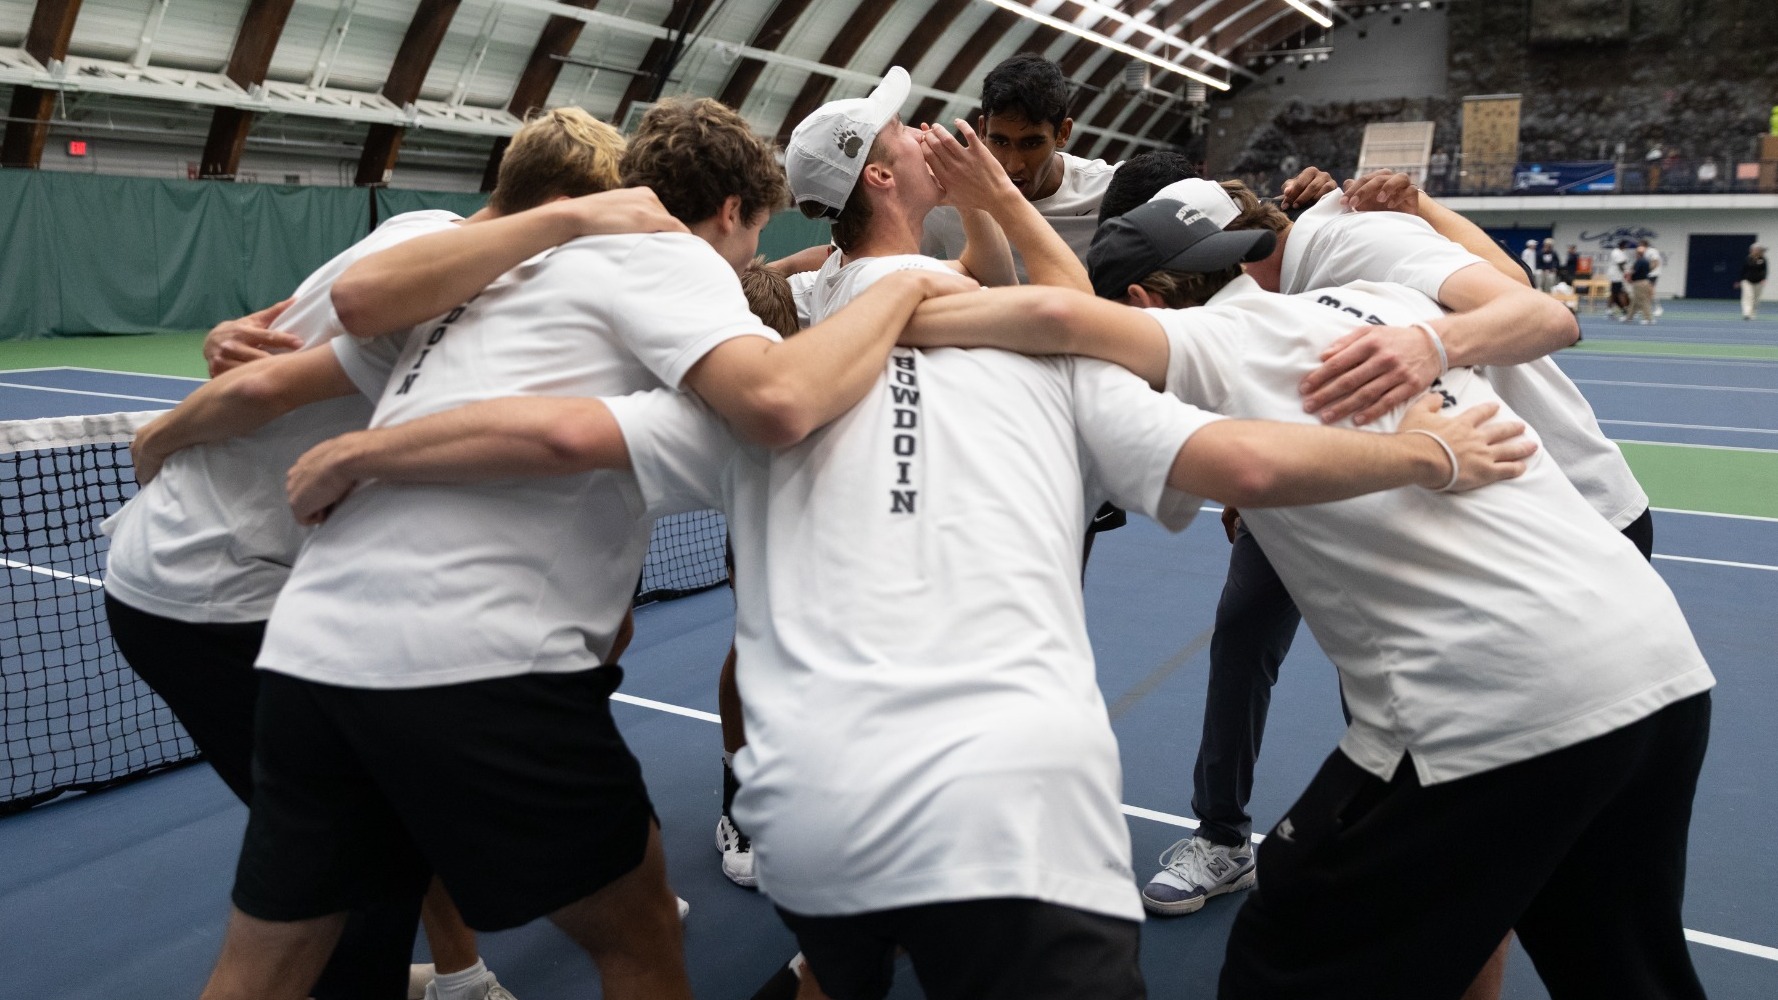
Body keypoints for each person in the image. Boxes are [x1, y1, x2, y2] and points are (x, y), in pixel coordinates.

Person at [275, 114, 1534, 1000]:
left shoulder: (757, 363)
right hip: (1021, 820)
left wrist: (371, 454)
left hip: (810, 818)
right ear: (890, 182)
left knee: (840, 959)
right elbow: (1248, 465)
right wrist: (1429, 458)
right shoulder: (1047, 357)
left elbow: (551, 427)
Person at [132, 96, 979, 1000]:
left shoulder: (492, 275)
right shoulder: (675, 262)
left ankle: (456, 969)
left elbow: (301, 360)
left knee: (267, 965)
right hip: (478, 656)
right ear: (731, 213)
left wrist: (164, 433)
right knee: (642, 934)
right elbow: (766, 403)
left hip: (309, 654)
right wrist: (903, 288)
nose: (745, 261)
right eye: (752, 233)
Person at [896, 177, 1716, 1000]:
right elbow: (1529, 305)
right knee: (1620, 966)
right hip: (1655, 661)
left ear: (1141, 303)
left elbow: (1059, 315)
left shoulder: (1207, 344)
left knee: (1282, 954)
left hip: (1500, 694)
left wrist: (894, 310)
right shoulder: (1374, 300)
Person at [107, 107, 648, 1000]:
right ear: (554, 208)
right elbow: (265, 380)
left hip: (266, 577)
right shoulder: (427, 264)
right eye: (601, 219)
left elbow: (262, 343)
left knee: (384, 818)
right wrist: (157, 438)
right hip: (206, 589)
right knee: (355, 874)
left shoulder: (457, 262)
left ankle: (457, 974)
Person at [1628, 243, 1657, 324]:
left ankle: (1649, 319)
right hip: (1645, 282)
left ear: (1638, 253)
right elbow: (1650, 269)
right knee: (1634, 301)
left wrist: (1629, 276)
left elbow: (1634, 271)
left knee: (1643, 301)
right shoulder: (1646, 261)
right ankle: (1629, 317)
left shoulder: (1639, 261)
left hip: (1639, 283)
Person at [1738, 242, 1766, 320]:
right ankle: (1746, 313)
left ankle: (1753, 313)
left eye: (1759, 250)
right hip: (1747, 281)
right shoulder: (1748, 259)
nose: (1758, 251)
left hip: (1758, 282)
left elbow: (1764, 270)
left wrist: (1763, 278)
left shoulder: (1763, 260)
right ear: (1752, 250)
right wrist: (1739, 281)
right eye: (1756, 250)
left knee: (1756, 298)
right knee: (1748, 296)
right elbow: (1743, 270)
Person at [1608, 239, 1632, 316]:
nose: (1627, 247)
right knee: (1620, 292)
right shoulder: (1616, 252)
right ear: (1623, 245)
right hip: (1616, 276)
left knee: (1614, 293)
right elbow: (1620, 264)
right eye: (1626, 245)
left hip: (1617, 276)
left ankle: (1610, 309)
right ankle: (1624, 308)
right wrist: (1626, 273)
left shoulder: (1622, 252)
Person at [1641, 238, 1664, 315]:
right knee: (1646, 291)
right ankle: (1646, 308)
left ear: (1644, 245)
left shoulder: (1652, 251)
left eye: (1640, 245)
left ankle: (1658, 308)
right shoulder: (1644, 253)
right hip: (1648, 274)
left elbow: (1655, 263)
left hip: (1653, 273)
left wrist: (1647, 271)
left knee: (1651, 290)